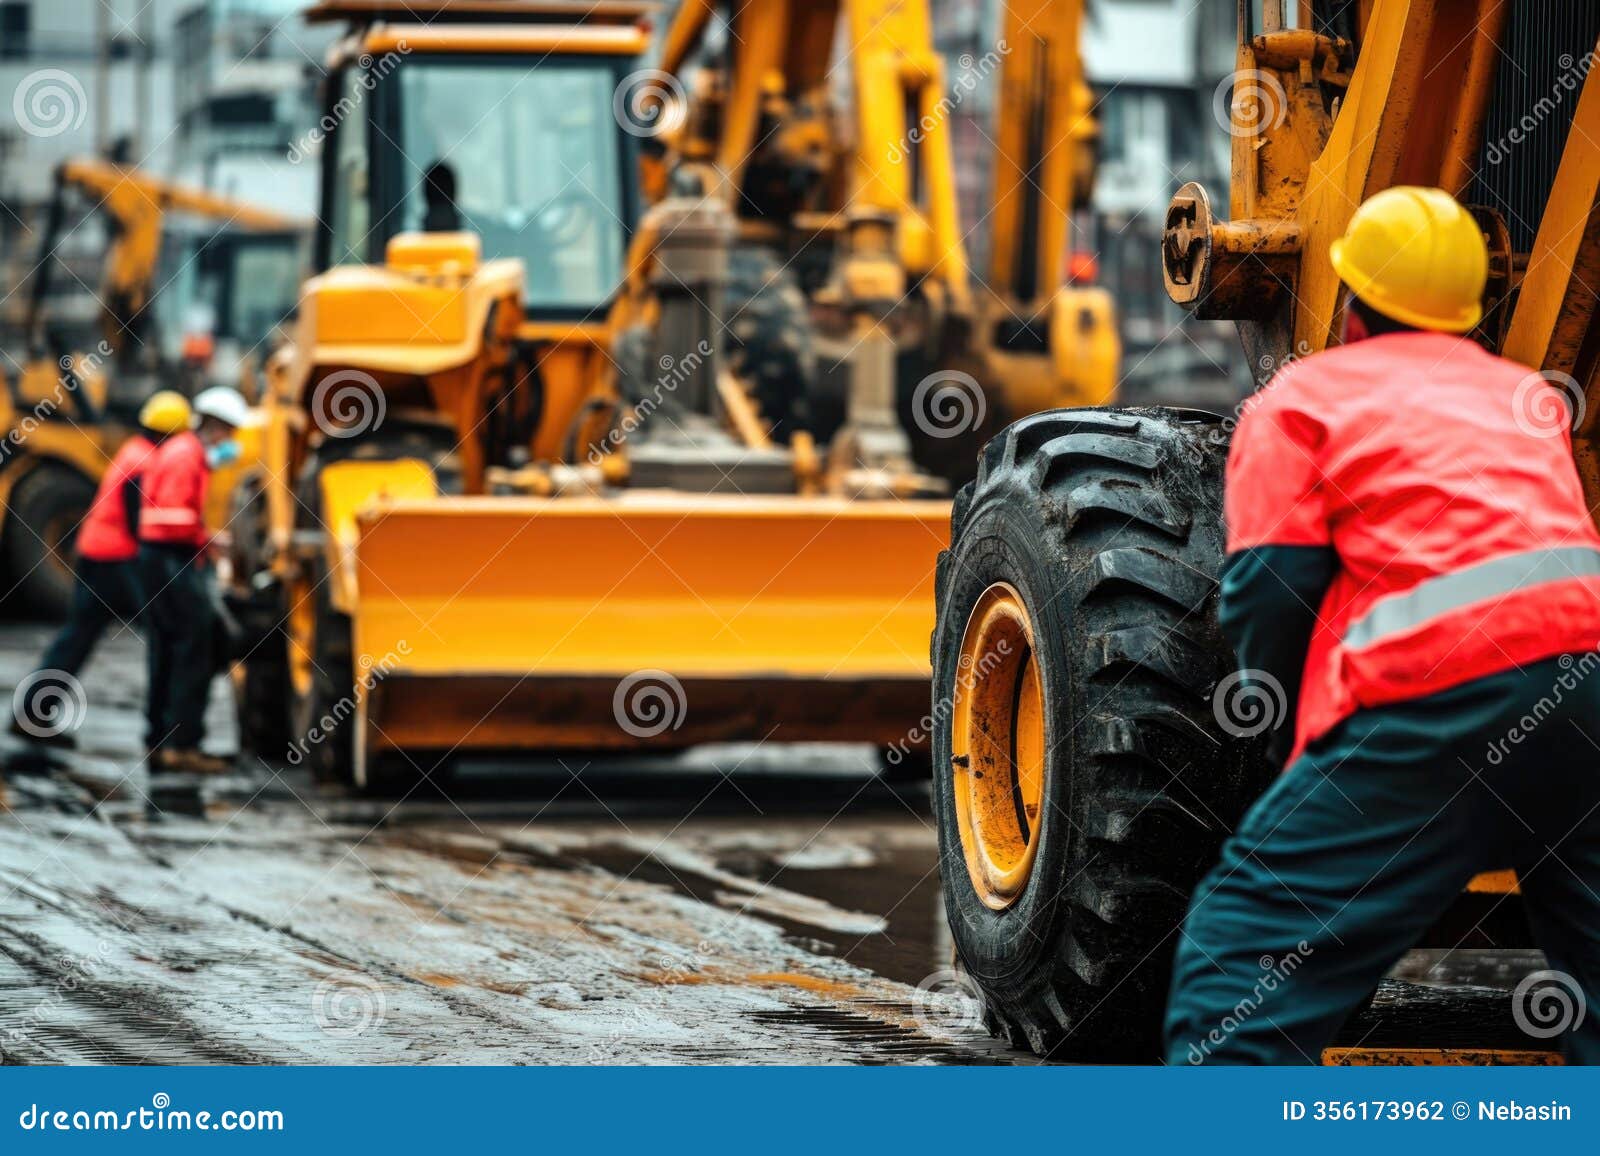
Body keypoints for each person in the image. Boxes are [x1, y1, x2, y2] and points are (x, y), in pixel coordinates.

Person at [1164, 187, 1600, 1064]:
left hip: (1435, 698)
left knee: (1239, 964)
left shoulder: (1302, 399)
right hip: (1587, 691)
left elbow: (1272, 588)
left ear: (1351, 303)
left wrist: (1294, 736)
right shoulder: (1527, 398)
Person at [10, 391, 192, 745]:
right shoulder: (146, 462)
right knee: (163, 631)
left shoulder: (132, 451)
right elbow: (141, 522)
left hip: (93, 556)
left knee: (77, 635)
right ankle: (161, 732)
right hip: (116, 561)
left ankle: (32, 714)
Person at [137, 385, 249, 772]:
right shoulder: (187, 457)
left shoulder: (180, 452)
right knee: (193, 652)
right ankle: (183, 746)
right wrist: (207, 539)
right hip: (172, 562)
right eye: (229, 433)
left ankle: (159, 739)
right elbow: (169, 518)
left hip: (160, 560)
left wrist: (203, 537)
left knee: (165, 650)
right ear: (216, 427)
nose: (230, 443)